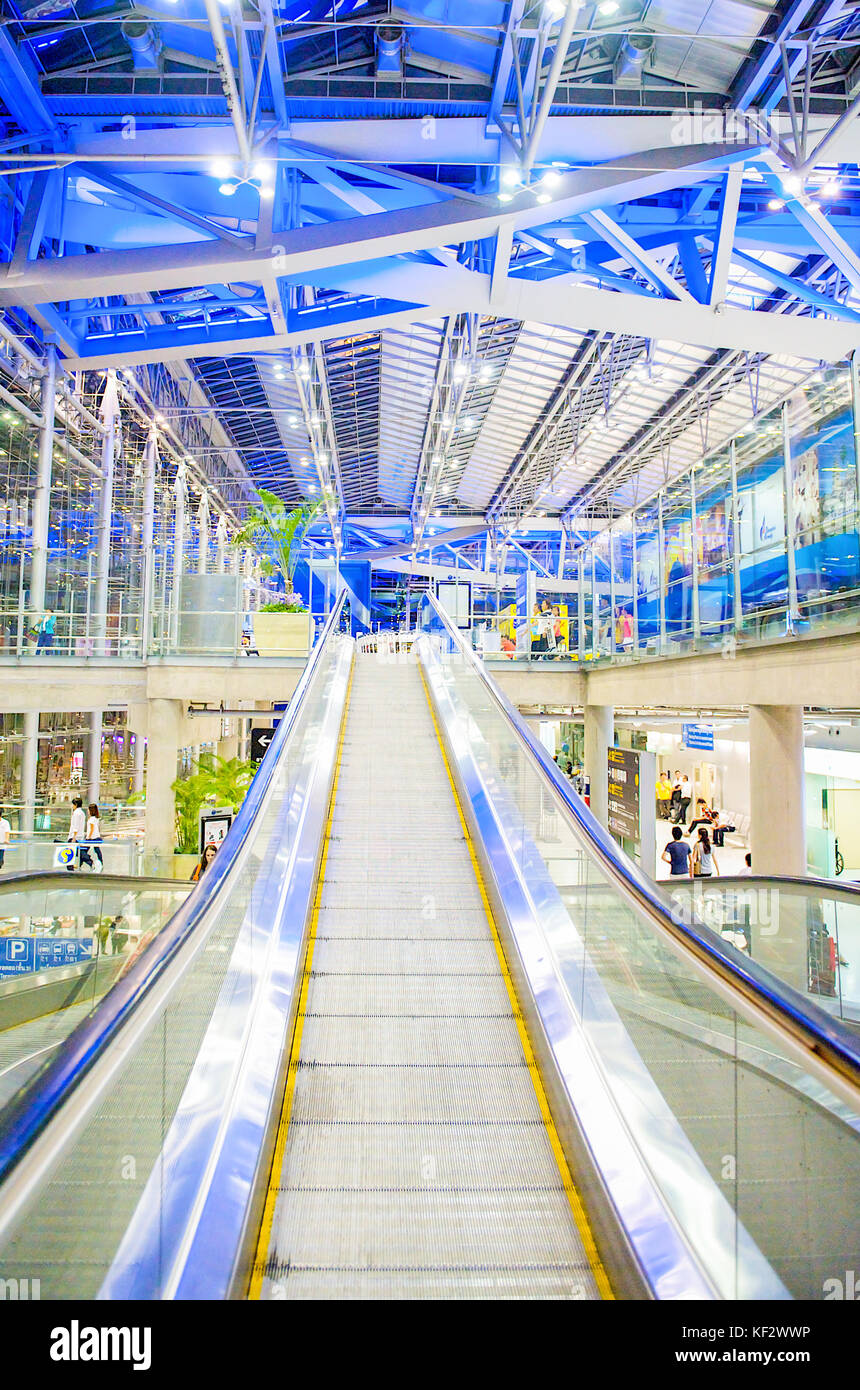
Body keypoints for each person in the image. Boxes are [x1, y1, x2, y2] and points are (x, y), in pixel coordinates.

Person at [67, 795, 91, 871]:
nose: (72, 806)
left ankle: (89, 861)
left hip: (74, 836)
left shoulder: (76, 813)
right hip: (80, 835)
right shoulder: (82, 813)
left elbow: (75, 826)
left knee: (71, 852)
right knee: (77, 851)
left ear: (76, 805)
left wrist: (74, 837)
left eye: (73, 804)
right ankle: (87, 861)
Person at [85, 802, 104, 873]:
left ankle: (89, 862)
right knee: (97, 850)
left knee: (83, 850)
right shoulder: (96, 818)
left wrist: (88, 836)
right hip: (96, 836)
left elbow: (92, 829)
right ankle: (101, 862)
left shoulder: (91, 819)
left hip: (92, 838)